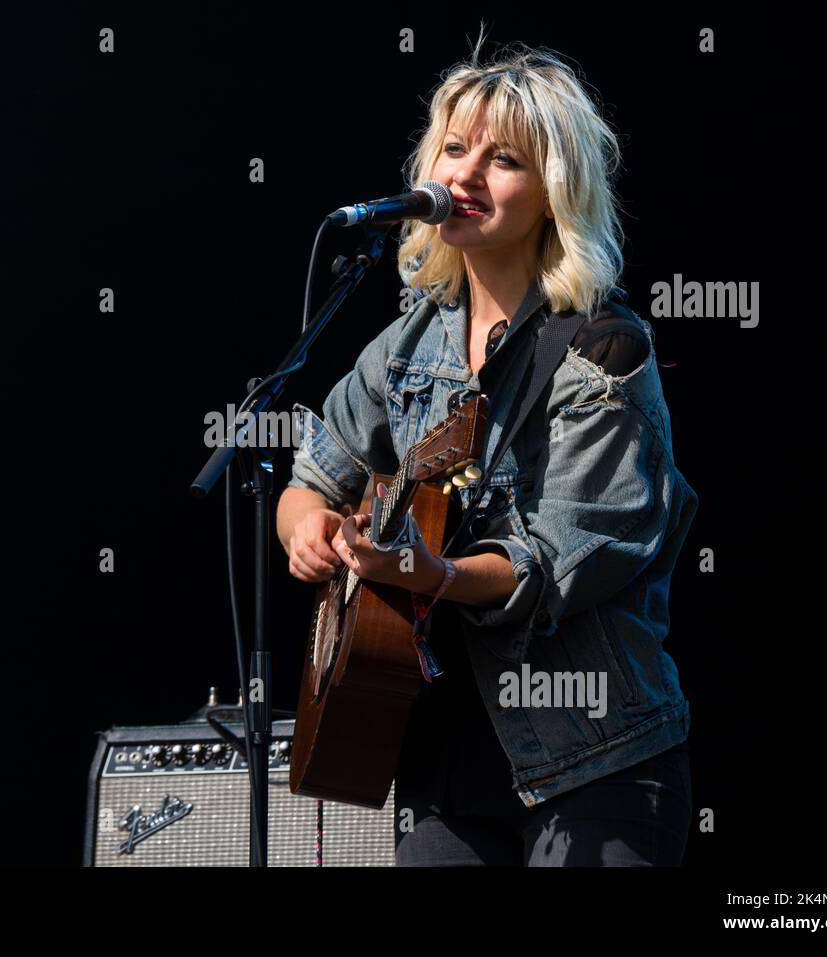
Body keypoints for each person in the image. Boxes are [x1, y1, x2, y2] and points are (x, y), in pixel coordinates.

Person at [276, 36, 699, 867]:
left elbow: (560, 562)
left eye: (503, 159)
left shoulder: (602, 352)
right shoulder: (407, 345)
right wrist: (307, 527)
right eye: (454, 148)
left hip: (594, 759)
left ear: (555, 194)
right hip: (438, 754)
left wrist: (430, 574)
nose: (464, 175)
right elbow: (311, 473)